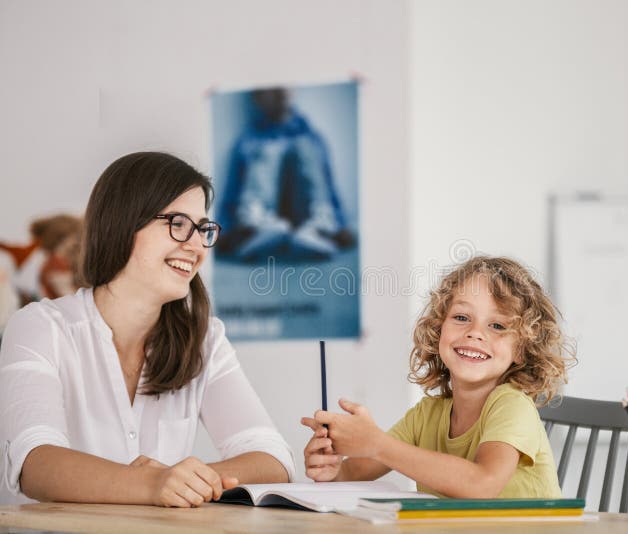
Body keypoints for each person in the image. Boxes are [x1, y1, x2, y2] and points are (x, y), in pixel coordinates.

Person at [0, 152, 294, 506]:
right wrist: (153, 484)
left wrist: (186, 482)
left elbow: (272, 458)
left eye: (202, 229)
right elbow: (36, 464)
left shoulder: (205, 340)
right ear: (123, 224)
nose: (197, 245)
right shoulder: (40, 327)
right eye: (178, 224)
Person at [302, 256, 574, 498]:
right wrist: (331, 469)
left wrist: (377, 443)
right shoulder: (426, 416)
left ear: (522, 348)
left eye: (497, 325)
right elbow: (352, 472)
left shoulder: (512, 406)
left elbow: (483, 484)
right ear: (438, 329)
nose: (475, 332)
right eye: (461, 317)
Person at [216, 87, 355, 261]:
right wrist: (224, 228)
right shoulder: (249, 139)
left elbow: (327, 184)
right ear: (257, 98)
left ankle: (319, 228)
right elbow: (233, 187)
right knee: (267, 149)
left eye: (286, 86)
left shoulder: (311, 137)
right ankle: (254, 229)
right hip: (267, 218)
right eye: (271, 88)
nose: (281, 91)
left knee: (304, 147)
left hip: (303, 215)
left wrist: (342, 223)